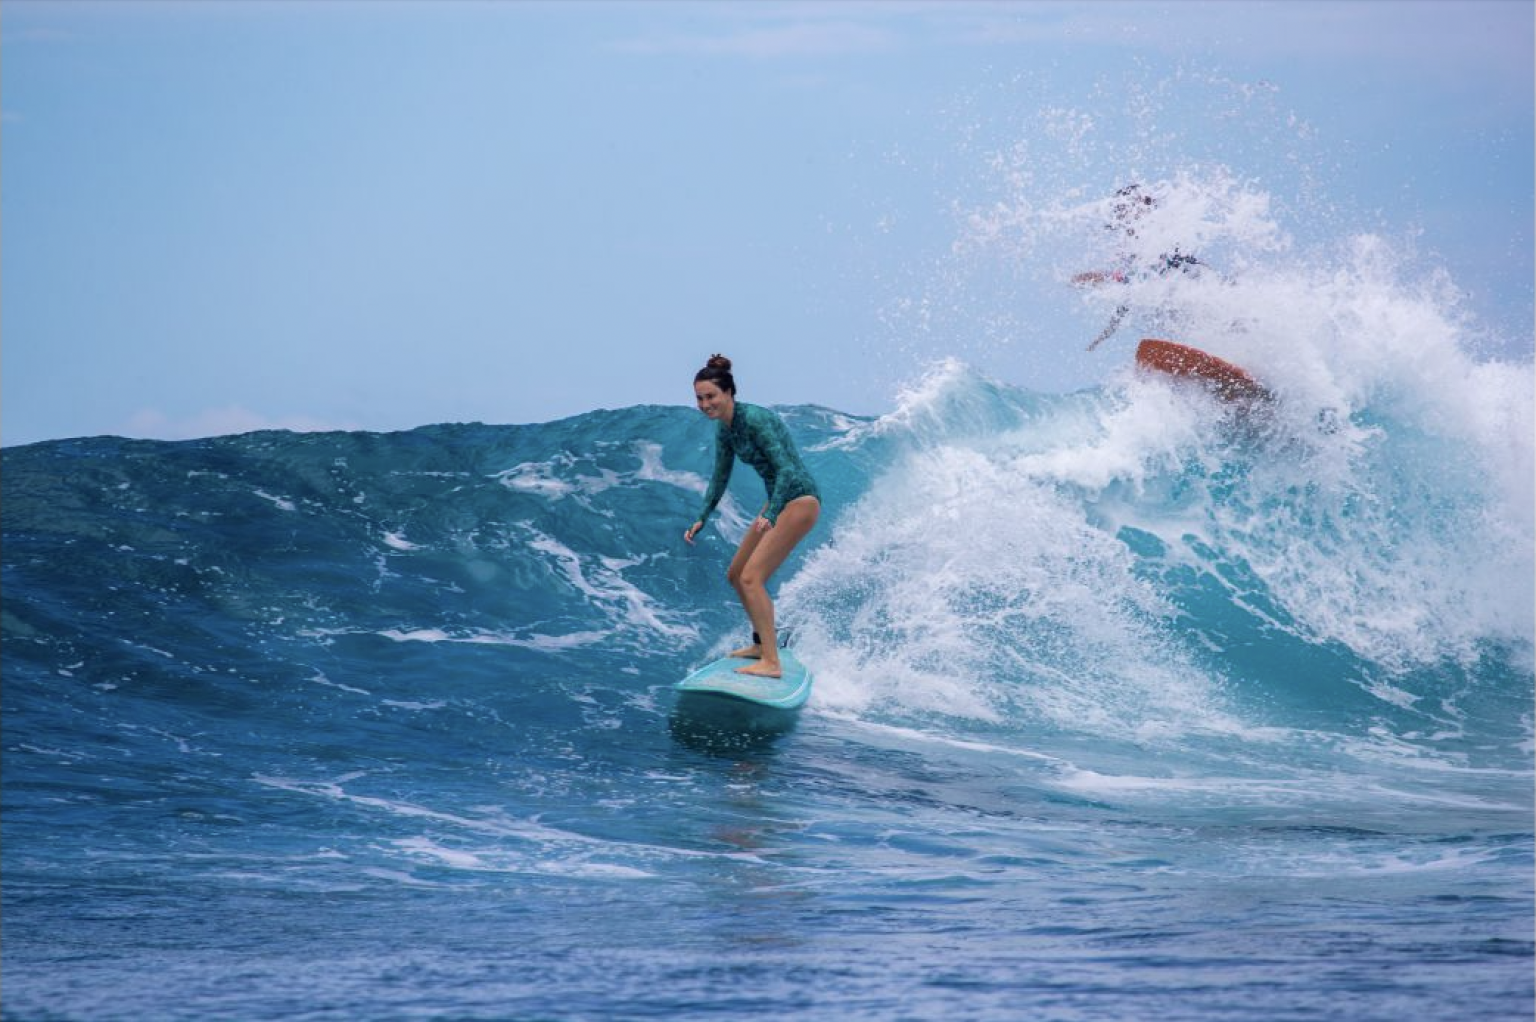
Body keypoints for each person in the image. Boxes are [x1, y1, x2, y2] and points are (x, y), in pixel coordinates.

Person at [683, 354, 821, 678]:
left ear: (729, 393)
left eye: (711, 396)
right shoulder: (725, 430)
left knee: (751, 577)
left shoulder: (755, 419)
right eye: (699, 398)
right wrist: (702, 515)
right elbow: (720, 475)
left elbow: (786, 469)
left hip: (799, 498)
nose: (704, 404)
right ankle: (761, 644)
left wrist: (771, 513)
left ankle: (772, 663)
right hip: (778, 499)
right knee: (736, 575)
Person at [1072, 183, 1201, 350]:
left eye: (1124, 209)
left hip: (1194, 286)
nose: (1122, 218)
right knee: (1160, 310)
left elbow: (1146, 274)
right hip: (1173, 299)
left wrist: (1106, 278)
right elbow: (1129, 294)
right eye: (1119, 212)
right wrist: (1107, 332)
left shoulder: (1161, 232)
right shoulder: (1134, 255)